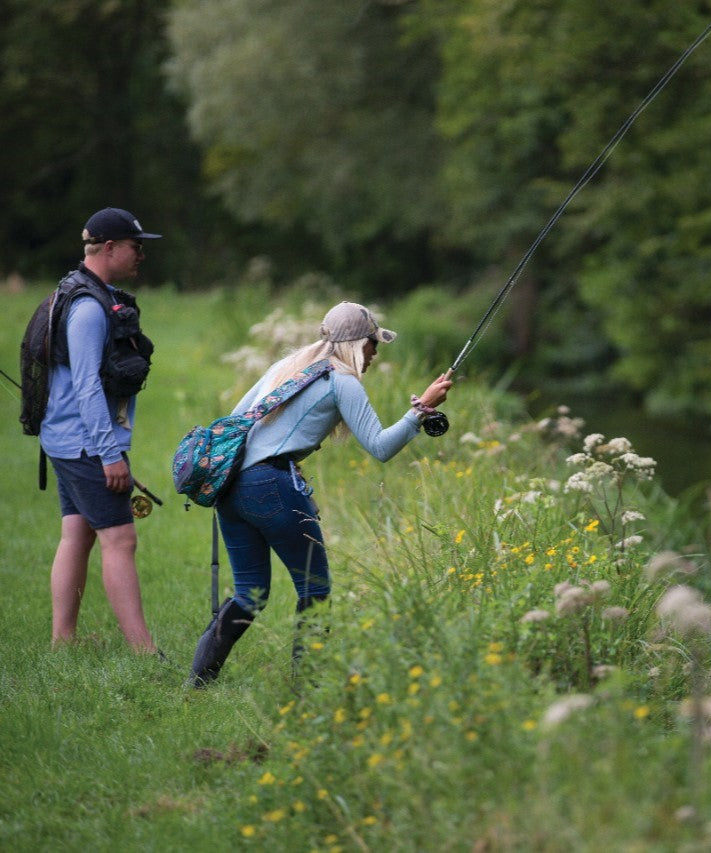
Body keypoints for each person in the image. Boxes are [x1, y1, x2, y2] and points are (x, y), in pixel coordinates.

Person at [187, 301, 453, 686]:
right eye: (373, 344)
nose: (376, 352)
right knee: (315, 588)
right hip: (273, 485)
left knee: (250, 594)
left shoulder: (287, 367)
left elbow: (234, 420)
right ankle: (307, 692)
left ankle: (197, 685)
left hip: (231, 486)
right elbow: (379, 448)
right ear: (358, 344)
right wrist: (422, 409)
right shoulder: (342, 381)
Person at [40, 207, 161, 652]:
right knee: (121, 539)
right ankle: (144, 652)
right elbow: (88, 385)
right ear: (109, 248)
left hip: (65, 438)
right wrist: (109, 454)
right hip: (88, 443)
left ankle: (62, 643)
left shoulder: (72, 291)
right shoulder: (90, 308)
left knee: (77, 532)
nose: (140, 255)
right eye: (136, 246)